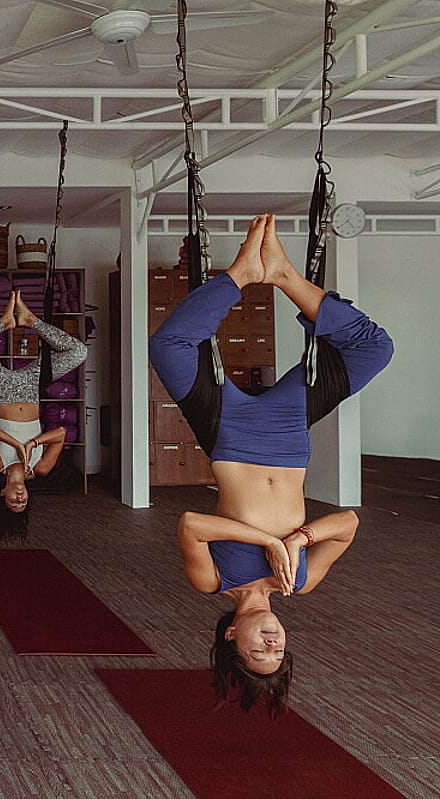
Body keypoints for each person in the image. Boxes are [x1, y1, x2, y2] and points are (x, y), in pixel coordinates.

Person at [150, 214, 392, 715]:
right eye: (278, 651)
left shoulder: (211, 581)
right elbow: (347, 525)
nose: (272, 642)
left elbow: (192, 524)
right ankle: (281, 274)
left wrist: (266, 542)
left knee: (167, 347)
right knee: (375, 348)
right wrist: (300, 541)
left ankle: (239, 274)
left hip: (229, 433)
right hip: (287, 433)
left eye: (258, 650)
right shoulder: (300, 581)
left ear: (232, 635)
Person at [0, 290, 87, 540]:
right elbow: (60, 434)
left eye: (13, 503)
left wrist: (17, 444)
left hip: (2, 389)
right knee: (79, 352)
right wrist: (35, 443)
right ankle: (31, 321)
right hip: (32, 386)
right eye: (23, 503)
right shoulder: (41, 467)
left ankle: (3, 323)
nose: (19, 499)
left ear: (3, 494)